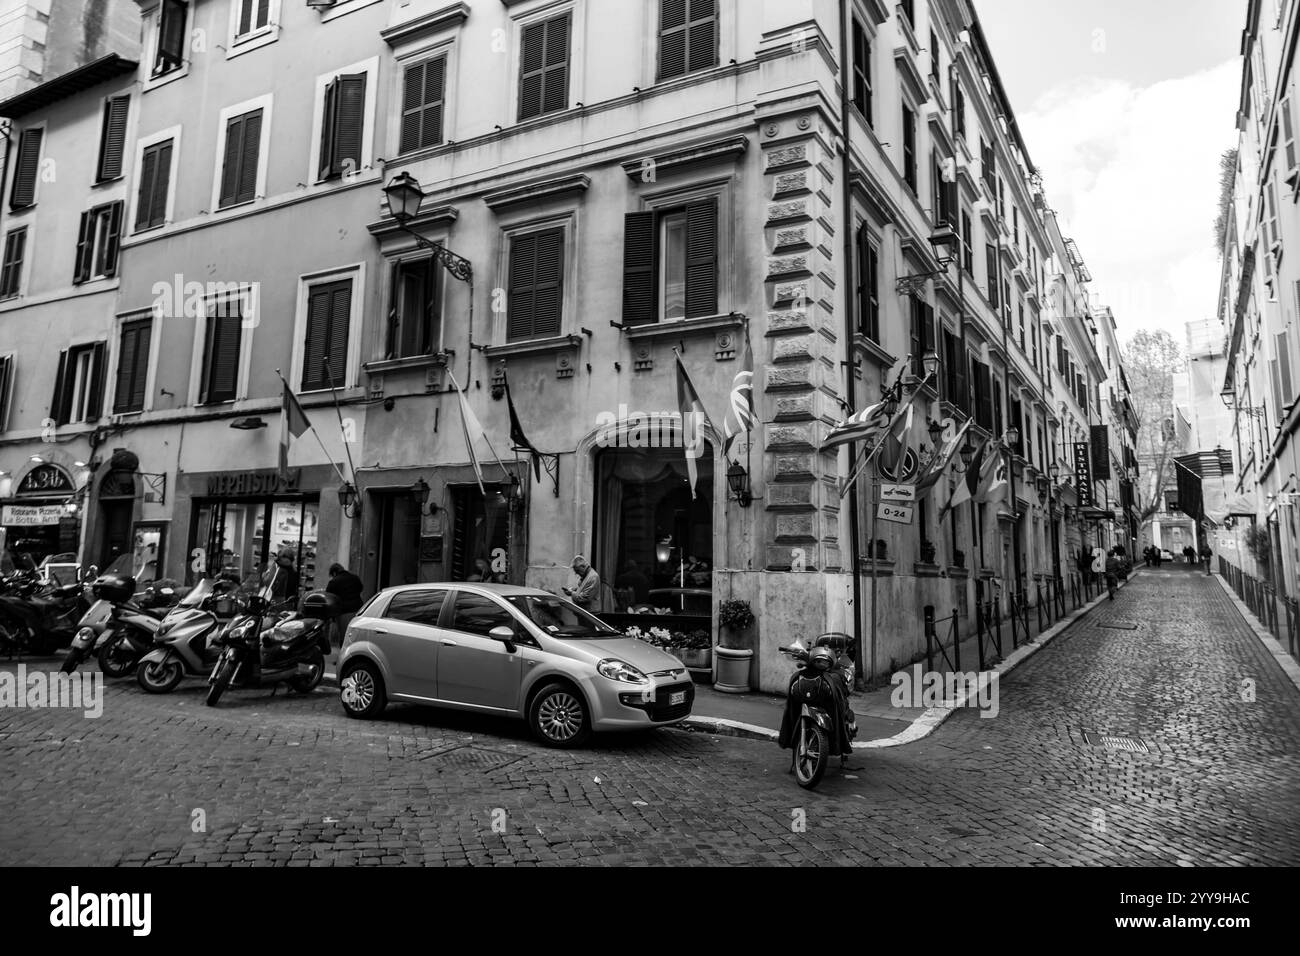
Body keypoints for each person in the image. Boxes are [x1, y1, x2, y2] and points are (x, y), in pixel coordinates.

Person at [325, 562, 364, 647]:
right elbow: (361, 588)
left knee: (344, 637)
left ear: (334, 573)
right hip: (359, 610)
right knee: (355, 636)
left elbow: (328, 597)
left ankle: (344, 657)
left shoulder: (334, 581)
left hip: (344, 612)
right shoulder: (355, 578)